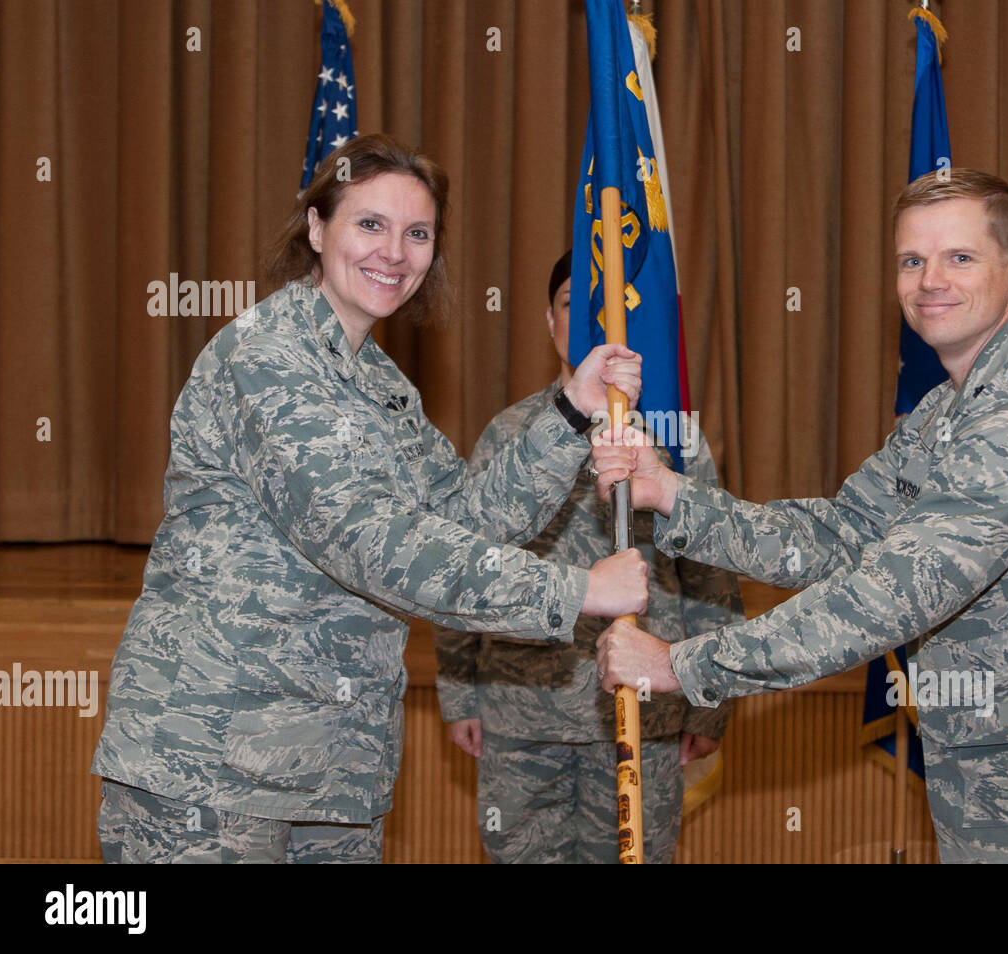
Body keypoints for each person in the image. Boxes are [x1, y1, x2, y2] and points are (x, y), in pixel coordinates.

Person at [592, 168, 1008, 864]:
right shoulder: (946, 413)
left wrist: (684, 664)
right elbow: (839, 537)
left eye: (959, 257)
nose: (929, 280)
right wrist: (670, 494)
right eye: (912, 260)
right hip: (998, 798)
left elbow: (897, 591)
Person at [90, 134, 650, 863]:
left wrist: (571, 414)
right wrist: (575, 591)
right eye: (370, 224)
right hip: (210, 770)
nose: (395, 252)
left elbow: (463, 518)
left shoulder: (382, 384)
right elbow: (374, 547)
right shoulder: (268, 357)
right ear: (318, 229)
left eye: (417, 233)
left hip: (333, 777)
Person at [435, 251, 744, 863]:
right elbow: (463, 563)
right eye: (575, 304)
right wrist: (458, 694)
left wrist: (709, 707)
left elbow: (710, 576)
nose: (594, 320)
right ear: (549, 321)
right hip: (521, 716)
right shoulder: (510, 432)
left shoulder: (673, 435)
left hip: (640, 713)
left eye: (612, 305)